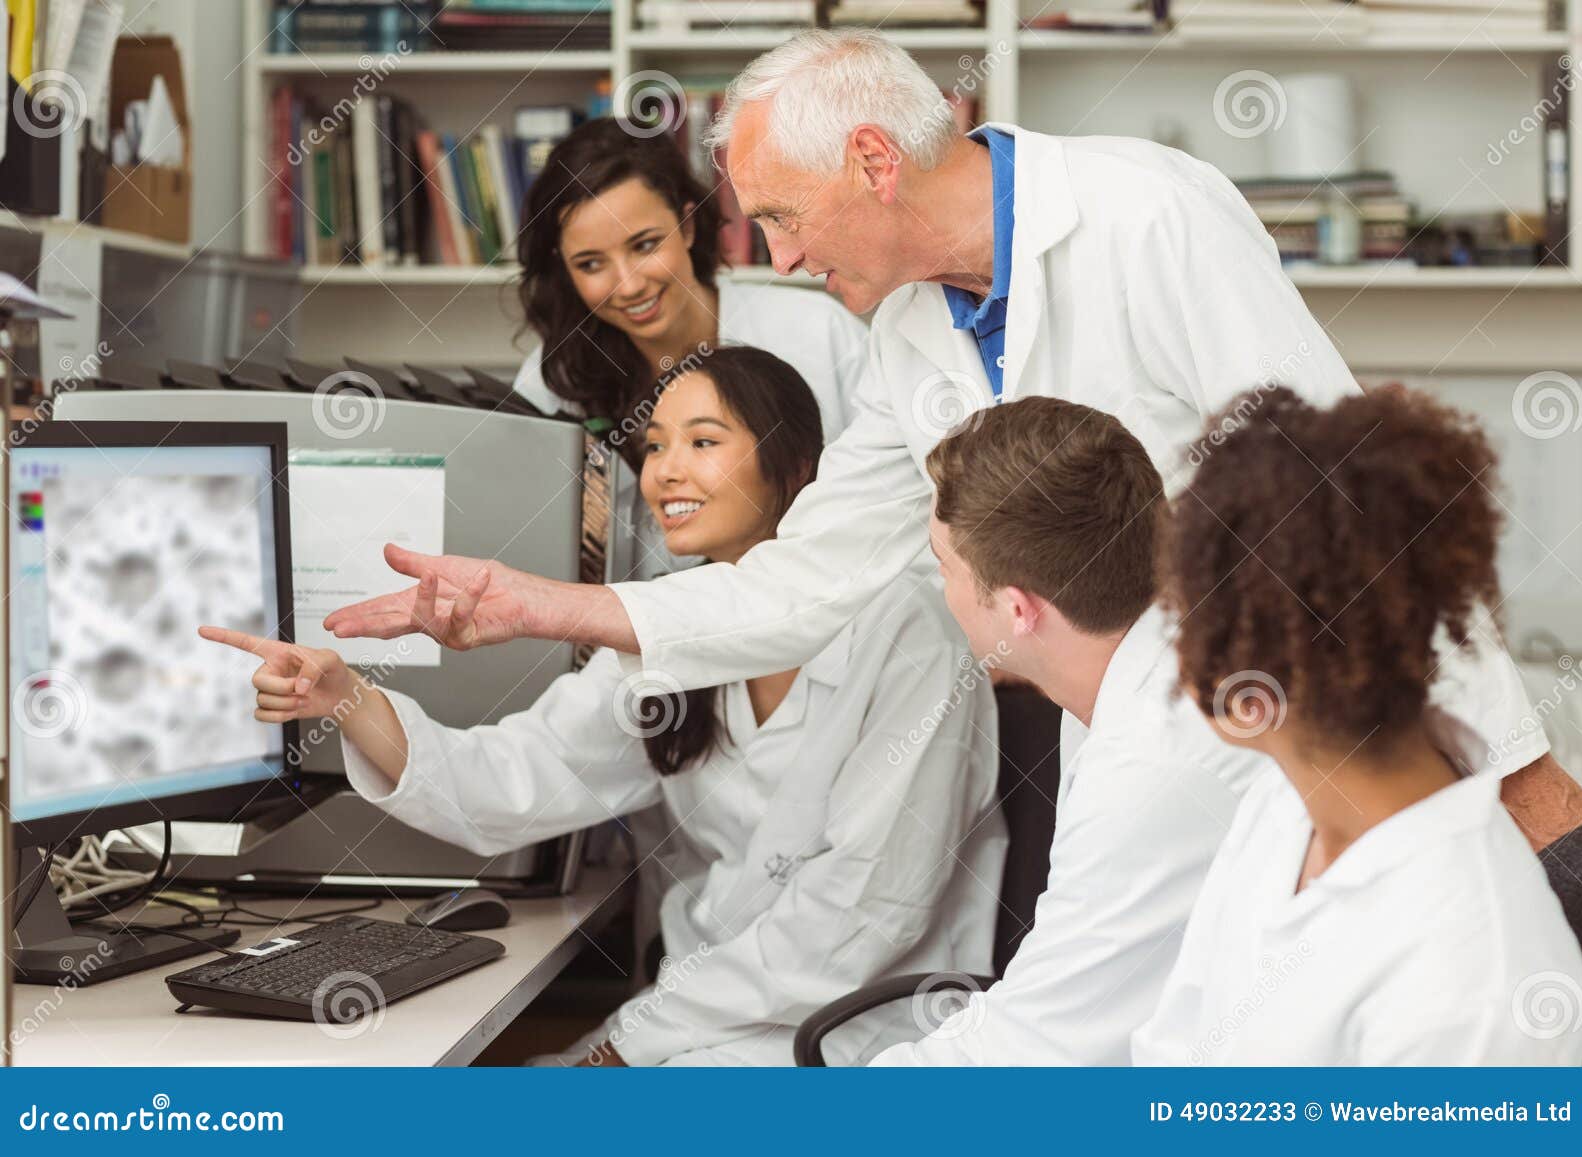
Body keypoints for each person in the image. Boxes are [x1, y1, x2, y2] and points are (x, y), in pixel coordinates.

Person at [323, 29, 1582, 848]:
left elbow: (1346, 498)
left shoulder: (1147, 217)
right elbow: (812, 577)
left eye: (781, 216)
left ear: (873, 159)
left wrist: (1526, 780)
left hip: (1304, 719)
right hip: (1132, 739)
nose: (778, 258)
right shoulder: (912, 329)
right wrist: (539, 605)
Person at [202, 347, 1003, 1067]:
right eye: (654, 446)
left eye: (704, 441)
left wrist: (622, 1047)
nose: (664, 471)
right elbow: (518, 780)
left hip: (864, 1031)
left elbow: (860, 919)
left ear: (792, 465)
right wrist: (347, 697)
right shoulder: (666, 625)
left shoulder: (912, 631)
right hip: (705, 1017)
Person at [1133, 386, 1582, 1065]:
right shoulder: (1282, 804)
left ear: (1245, 663)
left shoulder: (1473, 974)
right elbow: (1170, 1063)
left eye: (1185, 614)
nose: (1173, 648)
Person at [514, 117, 868, 580]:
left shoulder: (818, 333)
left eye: (644, 245)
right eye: (590, 263)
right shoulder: (553, 378)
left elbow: (895, 500)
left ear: (686, 226)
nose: (628, 284)